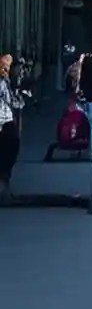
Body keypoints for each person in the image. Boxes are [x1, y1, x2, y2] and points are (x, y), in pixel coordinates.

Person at [0, 54, 25, 201]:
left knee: (11, 144)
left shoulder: (6, 81)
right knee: (10, 144)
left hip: (6, 119)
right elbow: (10, 100)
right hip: (3, 119)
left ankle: (4, 180)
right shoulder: (3, 82)